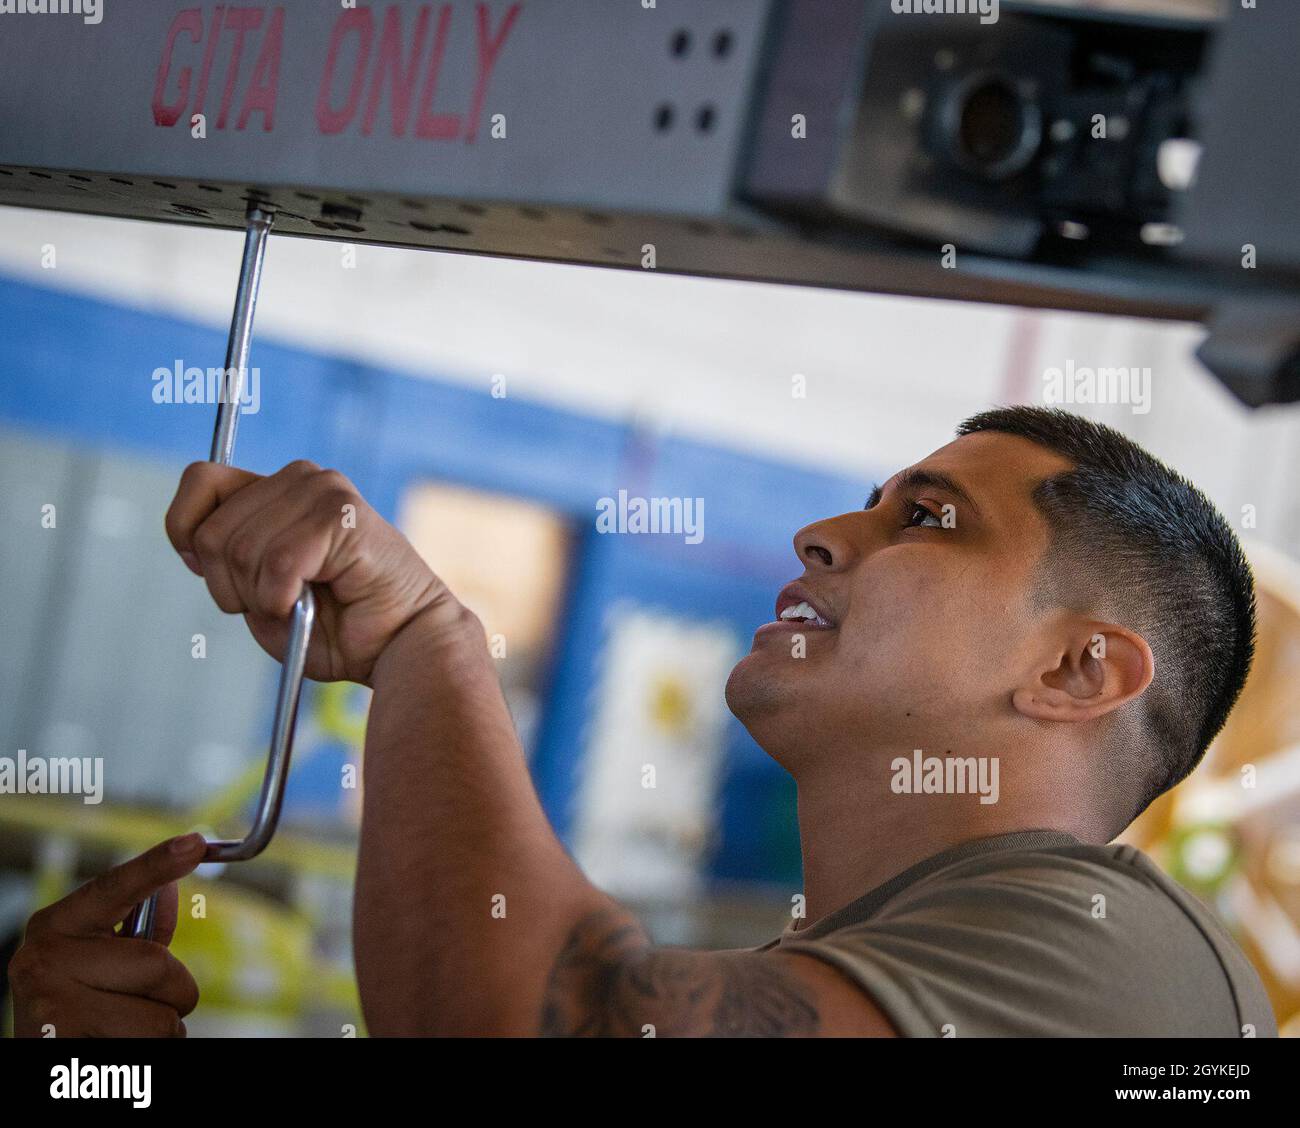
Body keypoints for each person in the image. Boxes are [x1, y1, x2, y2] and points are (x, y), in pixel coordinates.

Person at [9, 406, 1277, 1037]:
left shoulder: (1122, 959)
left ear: (1076, 672)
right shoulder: (880, 970)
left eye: (928, 520)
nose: (823, 536)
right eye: (866, 502)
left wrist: (424, 641)